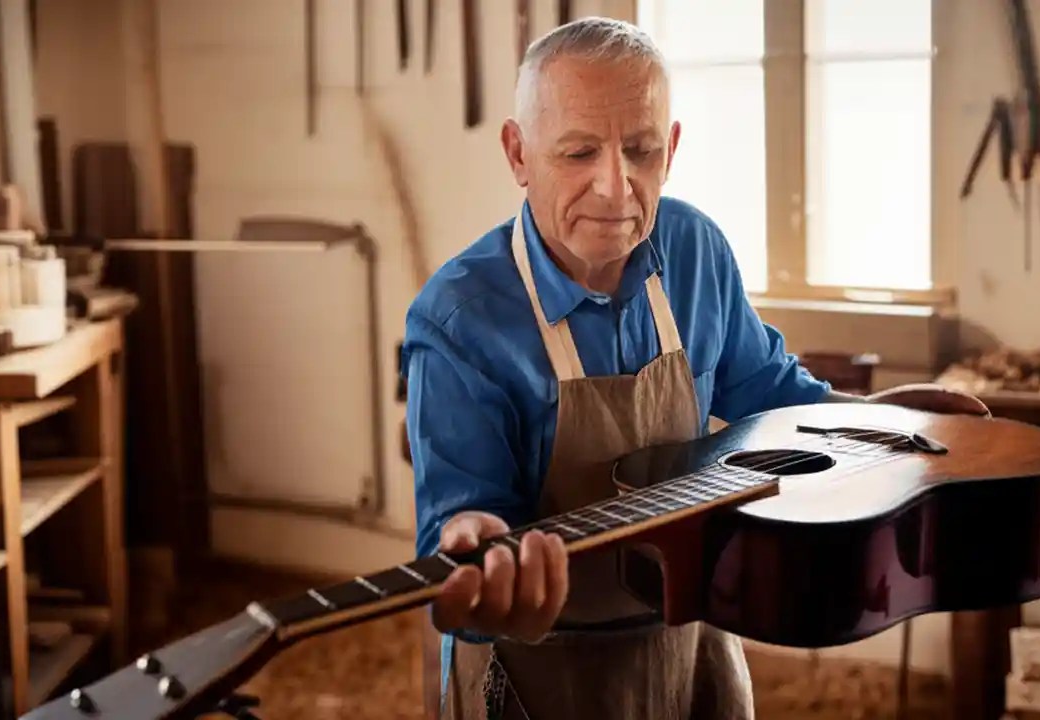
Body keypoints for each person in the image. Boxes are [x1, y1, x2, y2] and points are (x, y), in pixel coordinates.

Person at [400, 16, 987, 720]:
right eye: (579, 152)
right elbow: (460, 527)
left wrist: (879, 422)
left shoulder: (696, 251)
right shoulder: (458, 318)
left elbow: (770, 394)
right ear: (518, 153)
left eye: (641, 150)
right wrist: (479, 557)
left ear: (671, 149)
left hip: (687, 643)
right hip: (537, 673)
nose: (615, 188)